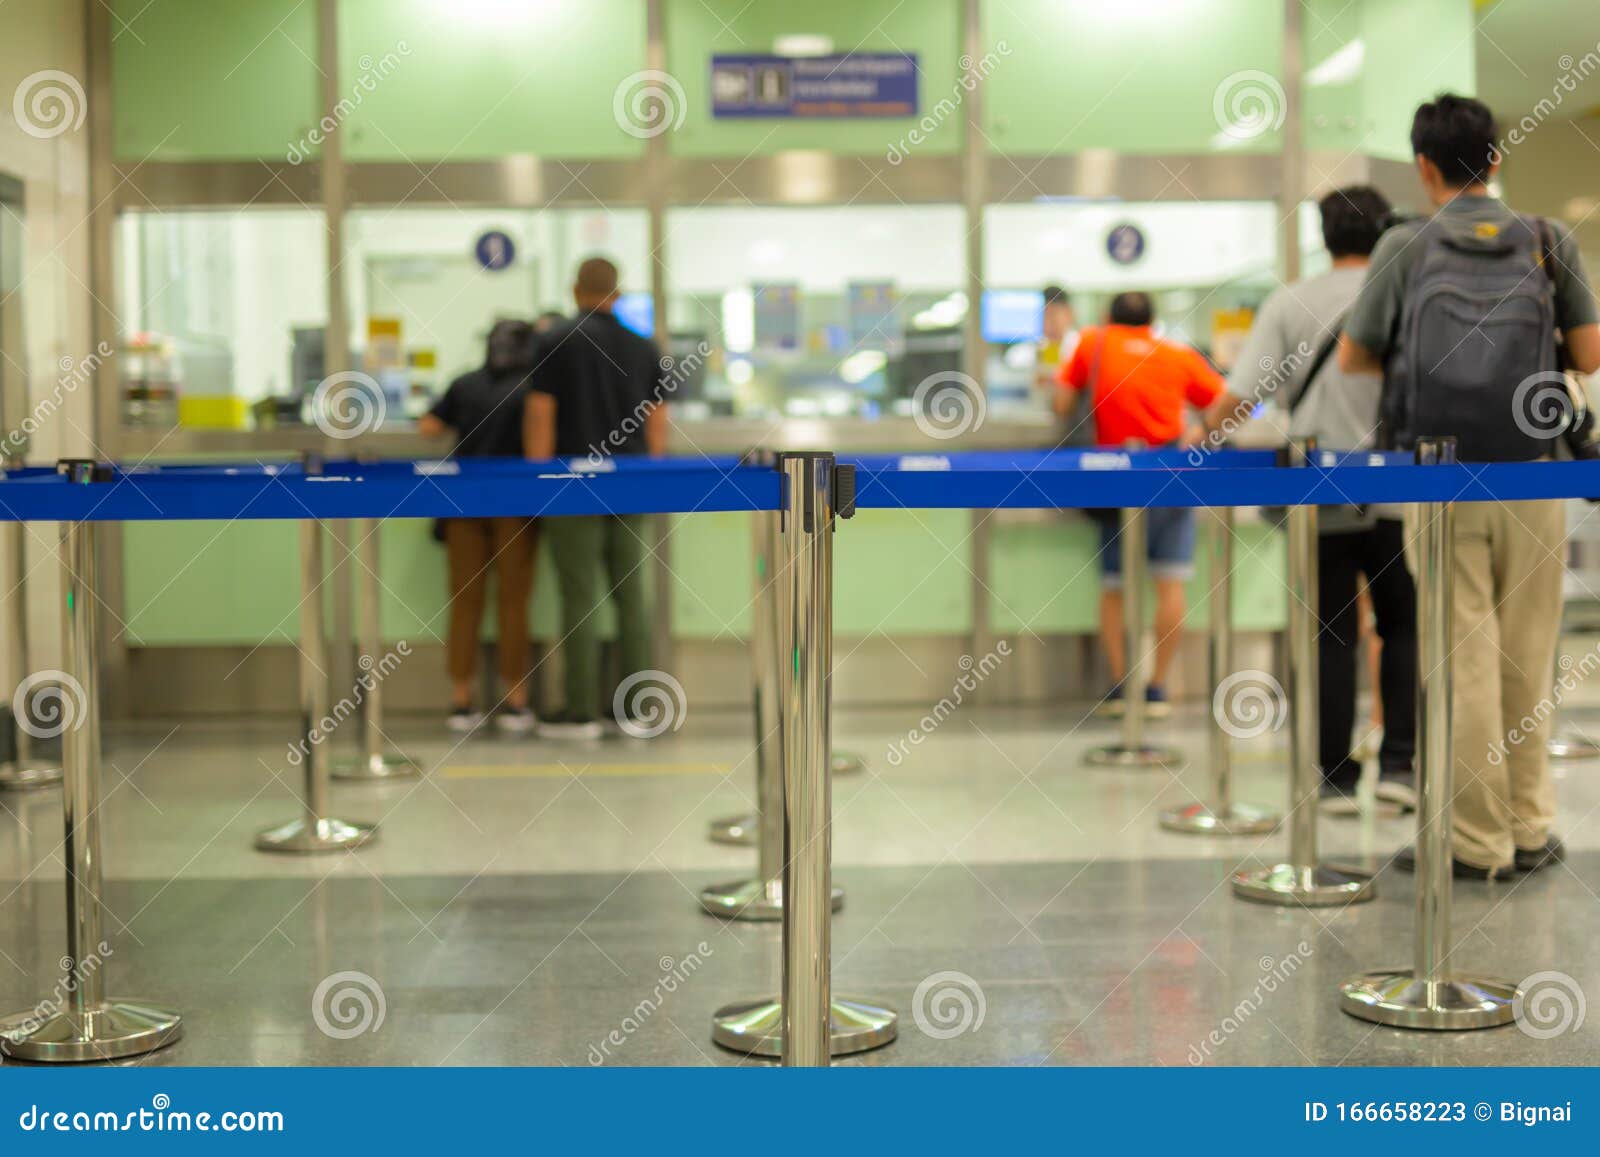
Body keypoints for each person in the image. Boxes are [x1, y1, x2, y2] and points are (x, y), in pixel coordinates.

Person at [1339, 94, 1600, 879]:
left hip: (1443, 476)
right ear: (1495, 159)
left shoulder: (1404, 244)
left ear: (1424, 166)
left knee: (1464, 657)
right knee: (1528, 654)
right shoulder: (1550, 239)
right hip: (1535, 473)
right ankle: (1529, 826)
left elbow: (1356, 358)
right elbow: (1587, 355)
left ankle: (1473, 841)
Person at [1206, 185, 1418, 817]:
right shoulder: (1405, 292)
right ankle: (1401, 765)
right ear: (1382, 232)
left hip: (1319, 493)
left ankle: (1334, 775)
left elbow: (1241, 395)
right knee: (1401, 625)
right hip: (1398, 492)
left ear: (1324, 237)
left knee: (1331, 634)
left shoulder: (1290, 299)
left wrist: (1203, 436)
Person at [1057, 291, 1223, 716]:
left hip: (1114, 476)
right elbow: (1227, 403)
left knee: (1115, 586)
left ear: (1109, 316)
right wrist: (1198, 427)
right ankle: (1157, 689)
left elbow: (1061, 404)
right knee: (1170, 583)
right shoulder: (1177, 353)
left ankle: (1119, 686)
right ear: (1152, 320)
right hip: (1171, 473)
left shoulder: (1092, 342)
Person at [525, 257, 667, 740]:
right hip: (631, 481)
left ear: (574, 288)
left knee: (578, 595)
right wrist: (648, 475)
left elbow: (541, 415)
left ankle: (581, 710)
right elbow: (657, 422)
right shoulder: (644, 346)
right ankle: (635, 709)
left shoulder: (554, 341)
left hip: (571, 483)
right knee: (632, 597)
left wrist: (535, 481)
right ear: (618, 293)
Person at [418, 318, 540, 734]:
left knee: (466, 600)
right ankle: (515, 700)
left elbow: (428, 426)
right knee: (513, 601)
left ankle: (461, 700)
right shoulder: (534, 388)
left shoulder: (464, 383)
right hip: (516, 506)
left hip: (462, 503)